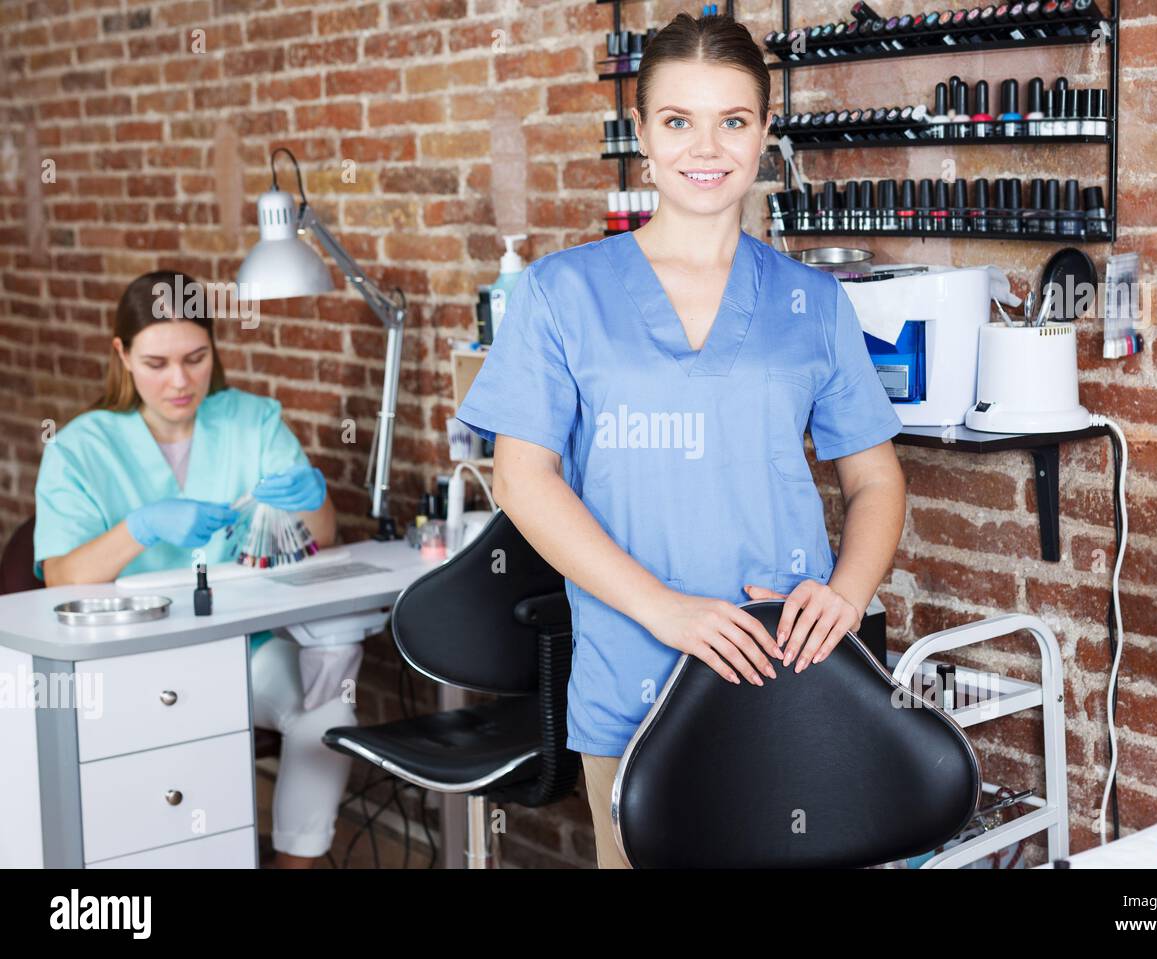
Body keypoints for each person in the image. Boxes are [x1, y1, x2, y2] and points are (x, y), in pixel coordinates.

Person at [455, 13, 906, 869]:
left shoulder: (813, 302)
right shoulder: (562, 292)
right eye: (678, 121)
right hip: (632, 685)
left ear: (766, 132)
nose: (707, 147)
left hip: (788, 678)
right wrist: (663, 606)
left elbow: (876, 479)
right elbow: (521, 478)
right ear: (642, 133)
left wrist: (847, 595)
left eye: (733, 121)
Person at [33, 270, 355, 869]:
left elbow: (322, 536)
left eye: (196, 357)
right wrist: (141, 527)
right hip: (135, 661)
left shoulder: (251, 420)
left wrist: (311, 496)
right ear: (122, 355)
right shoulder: (78, 448)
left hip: (247, 650)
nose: (179, 381)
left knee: (331, 711)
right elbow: (60, 576)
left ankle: (294, 865)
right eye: (156, 363)